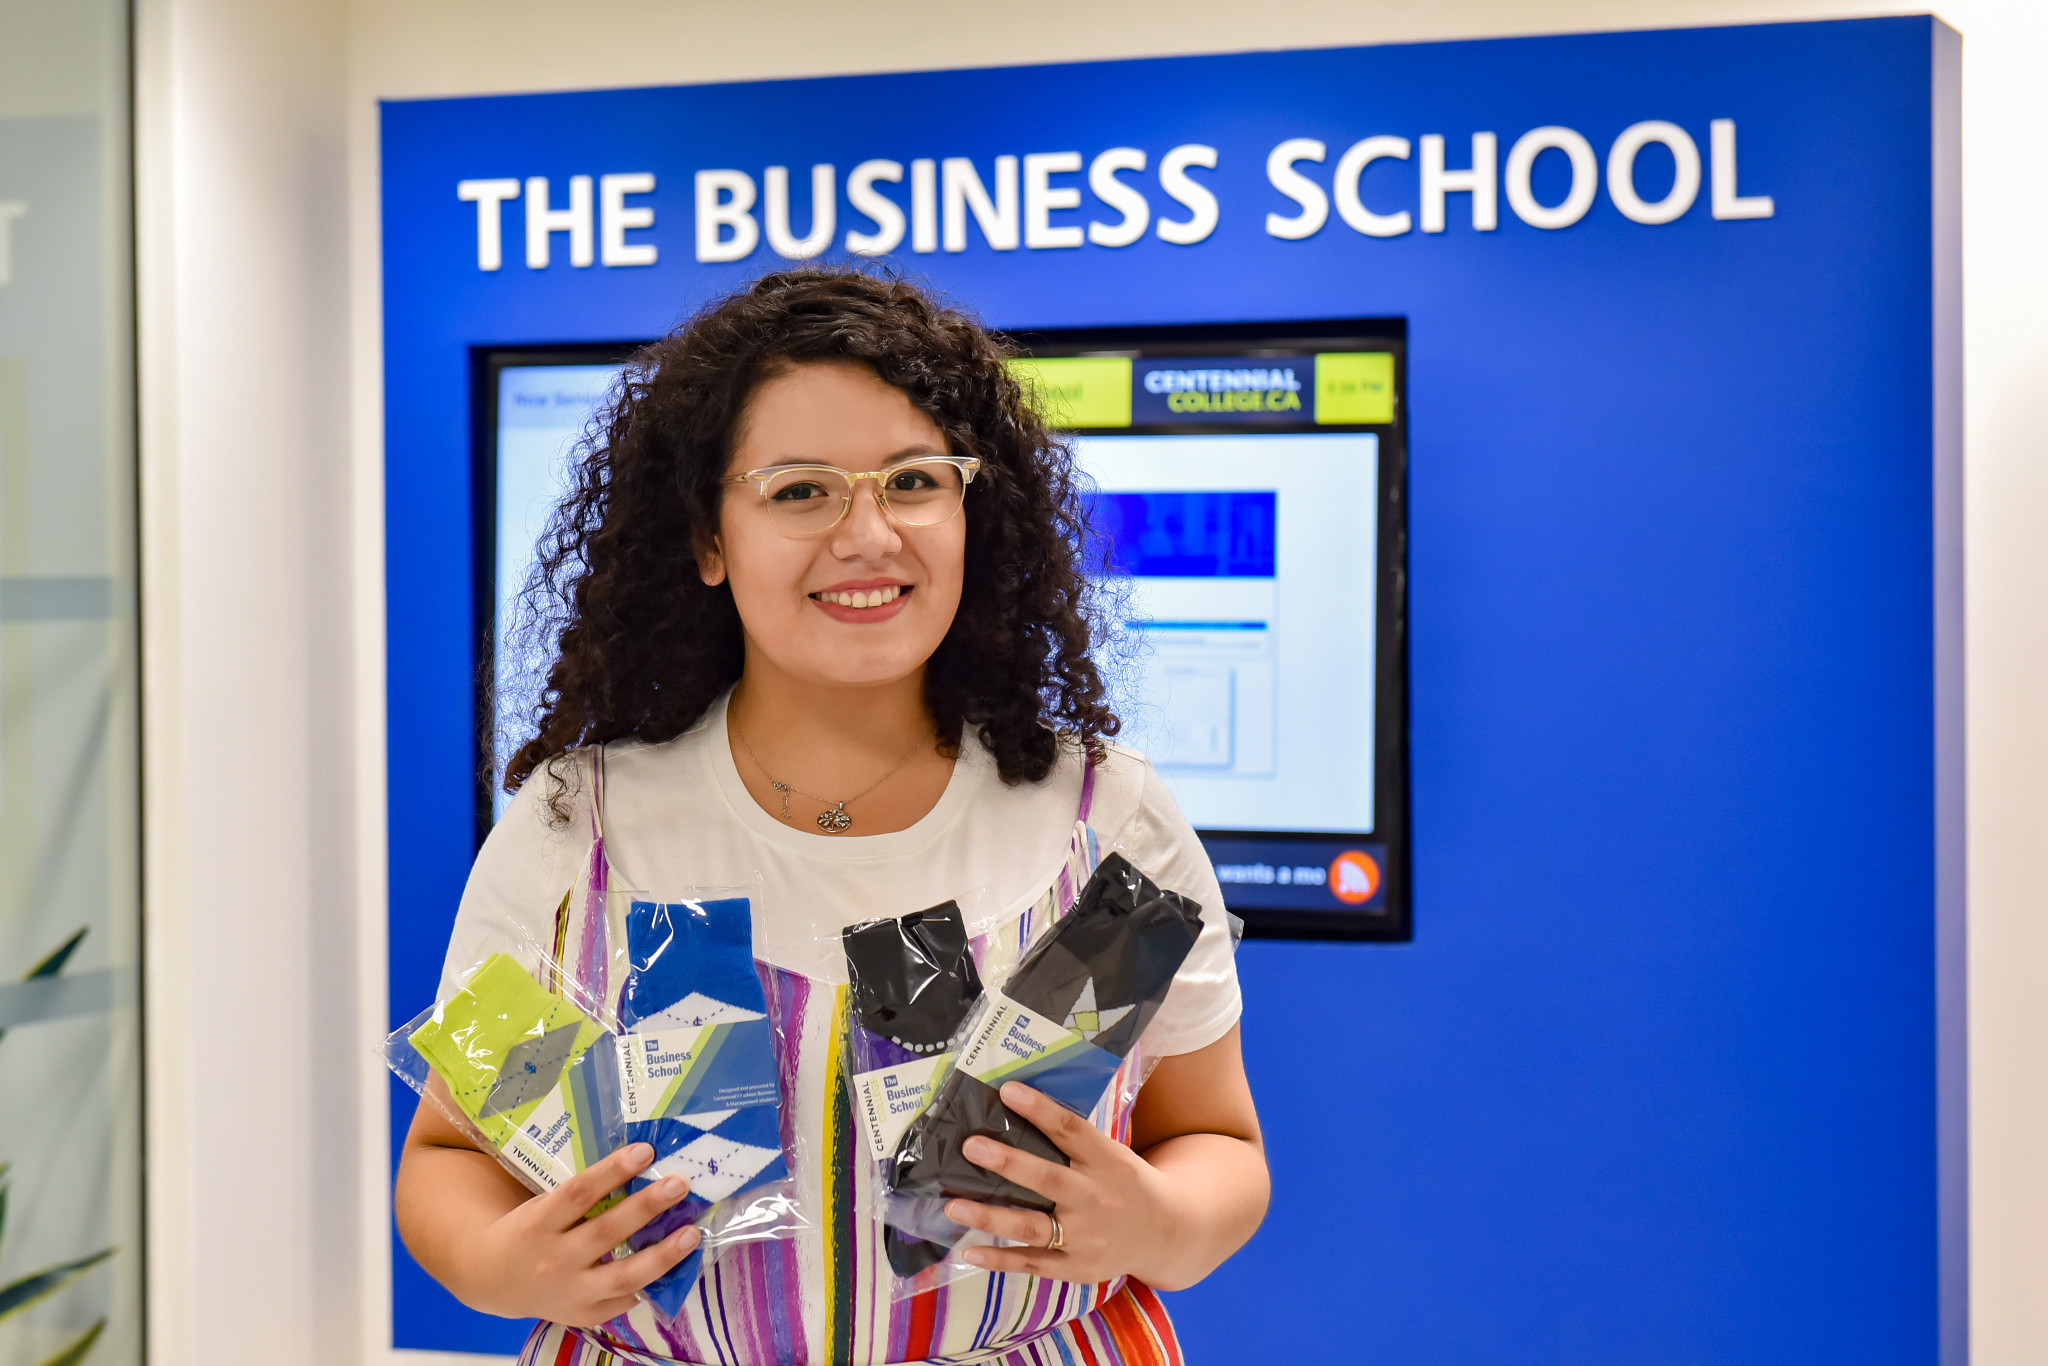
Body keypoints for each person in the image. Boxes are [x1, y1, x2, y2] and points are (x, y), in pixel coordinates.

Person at [394, 267, 1267, 1366]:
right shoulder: (584, 826)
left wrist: (1164, 1223)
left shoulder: (1104, 819)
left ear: (969, 513)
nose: (867, 533)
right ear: (708, 540)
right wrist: (497, 1262)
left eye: (912, 481)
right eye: (799, 490)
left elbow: (1215, 1138)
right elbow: (446, 1157)